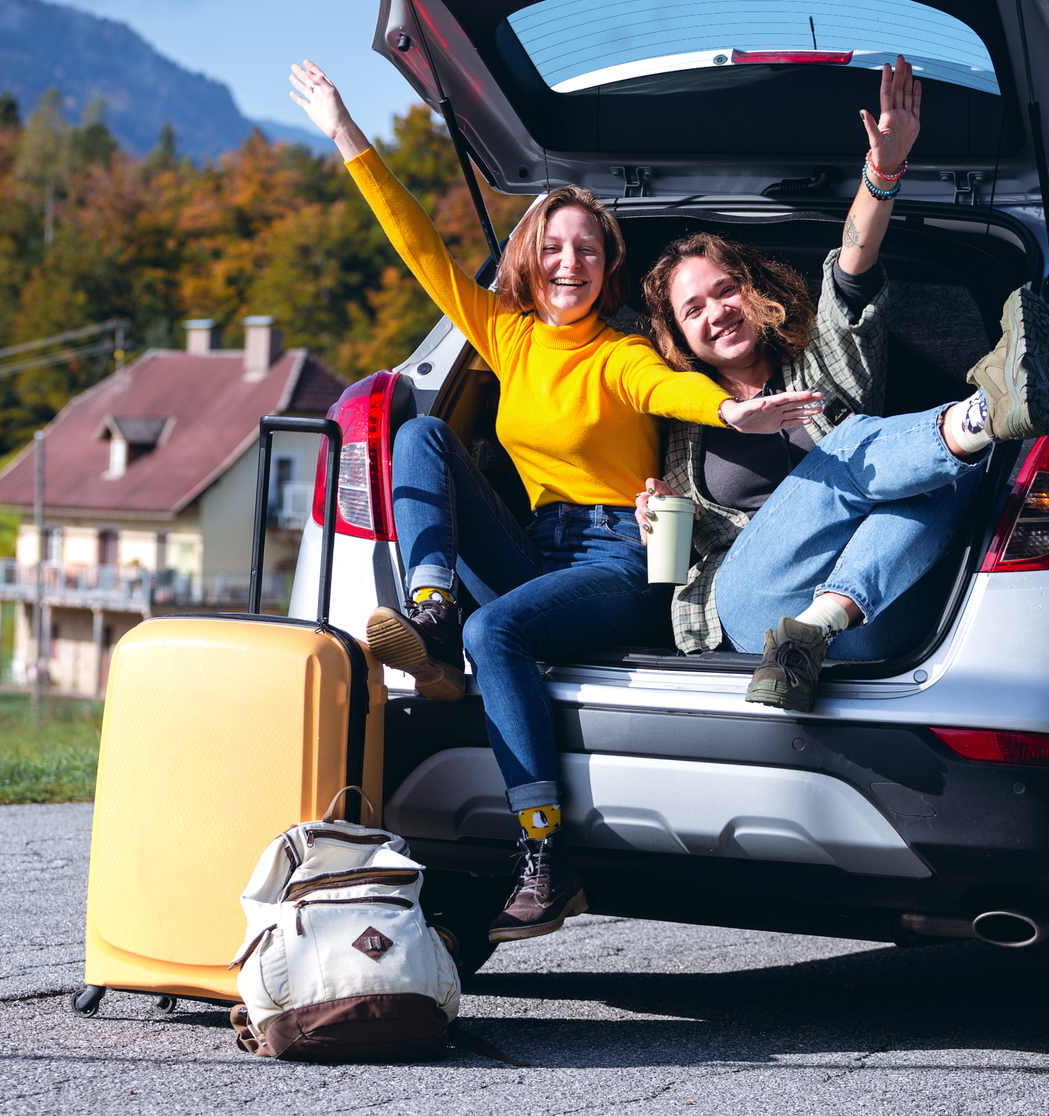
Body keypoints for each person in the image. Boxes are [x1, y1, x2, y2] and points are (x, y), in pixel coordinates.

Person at [287, 60, 820, 944]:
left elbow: (676, 393)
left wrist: (732, 408)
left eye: (587, 247)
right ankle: (430, 609)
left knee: (497, 633)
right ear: (529, 261)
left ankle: (545, 858)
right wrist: (346, 133)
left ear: (607, 264)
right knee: (420, 435)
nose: (568, 261)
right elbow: (418, 244)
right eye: (554, 246)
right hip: (534, 549)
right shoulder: (504, 335)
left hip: (619, 560)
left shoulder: (621, 354)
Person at [636, 57, 1049, 711]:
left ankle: (816, 628)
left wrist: (883, 171)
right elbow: (668, 571)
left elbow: (853, 266)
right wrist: (658, 526)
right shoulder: (684, 424)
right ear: (680, 336)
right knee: (878, 445)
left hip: (872, 619)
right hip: (751, 607)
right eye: (694, 308)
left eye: (725, 289)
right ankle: (980, 413)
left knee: (956, 473)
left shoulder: (821, 368)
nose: (716, 309)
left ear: (753, 293)